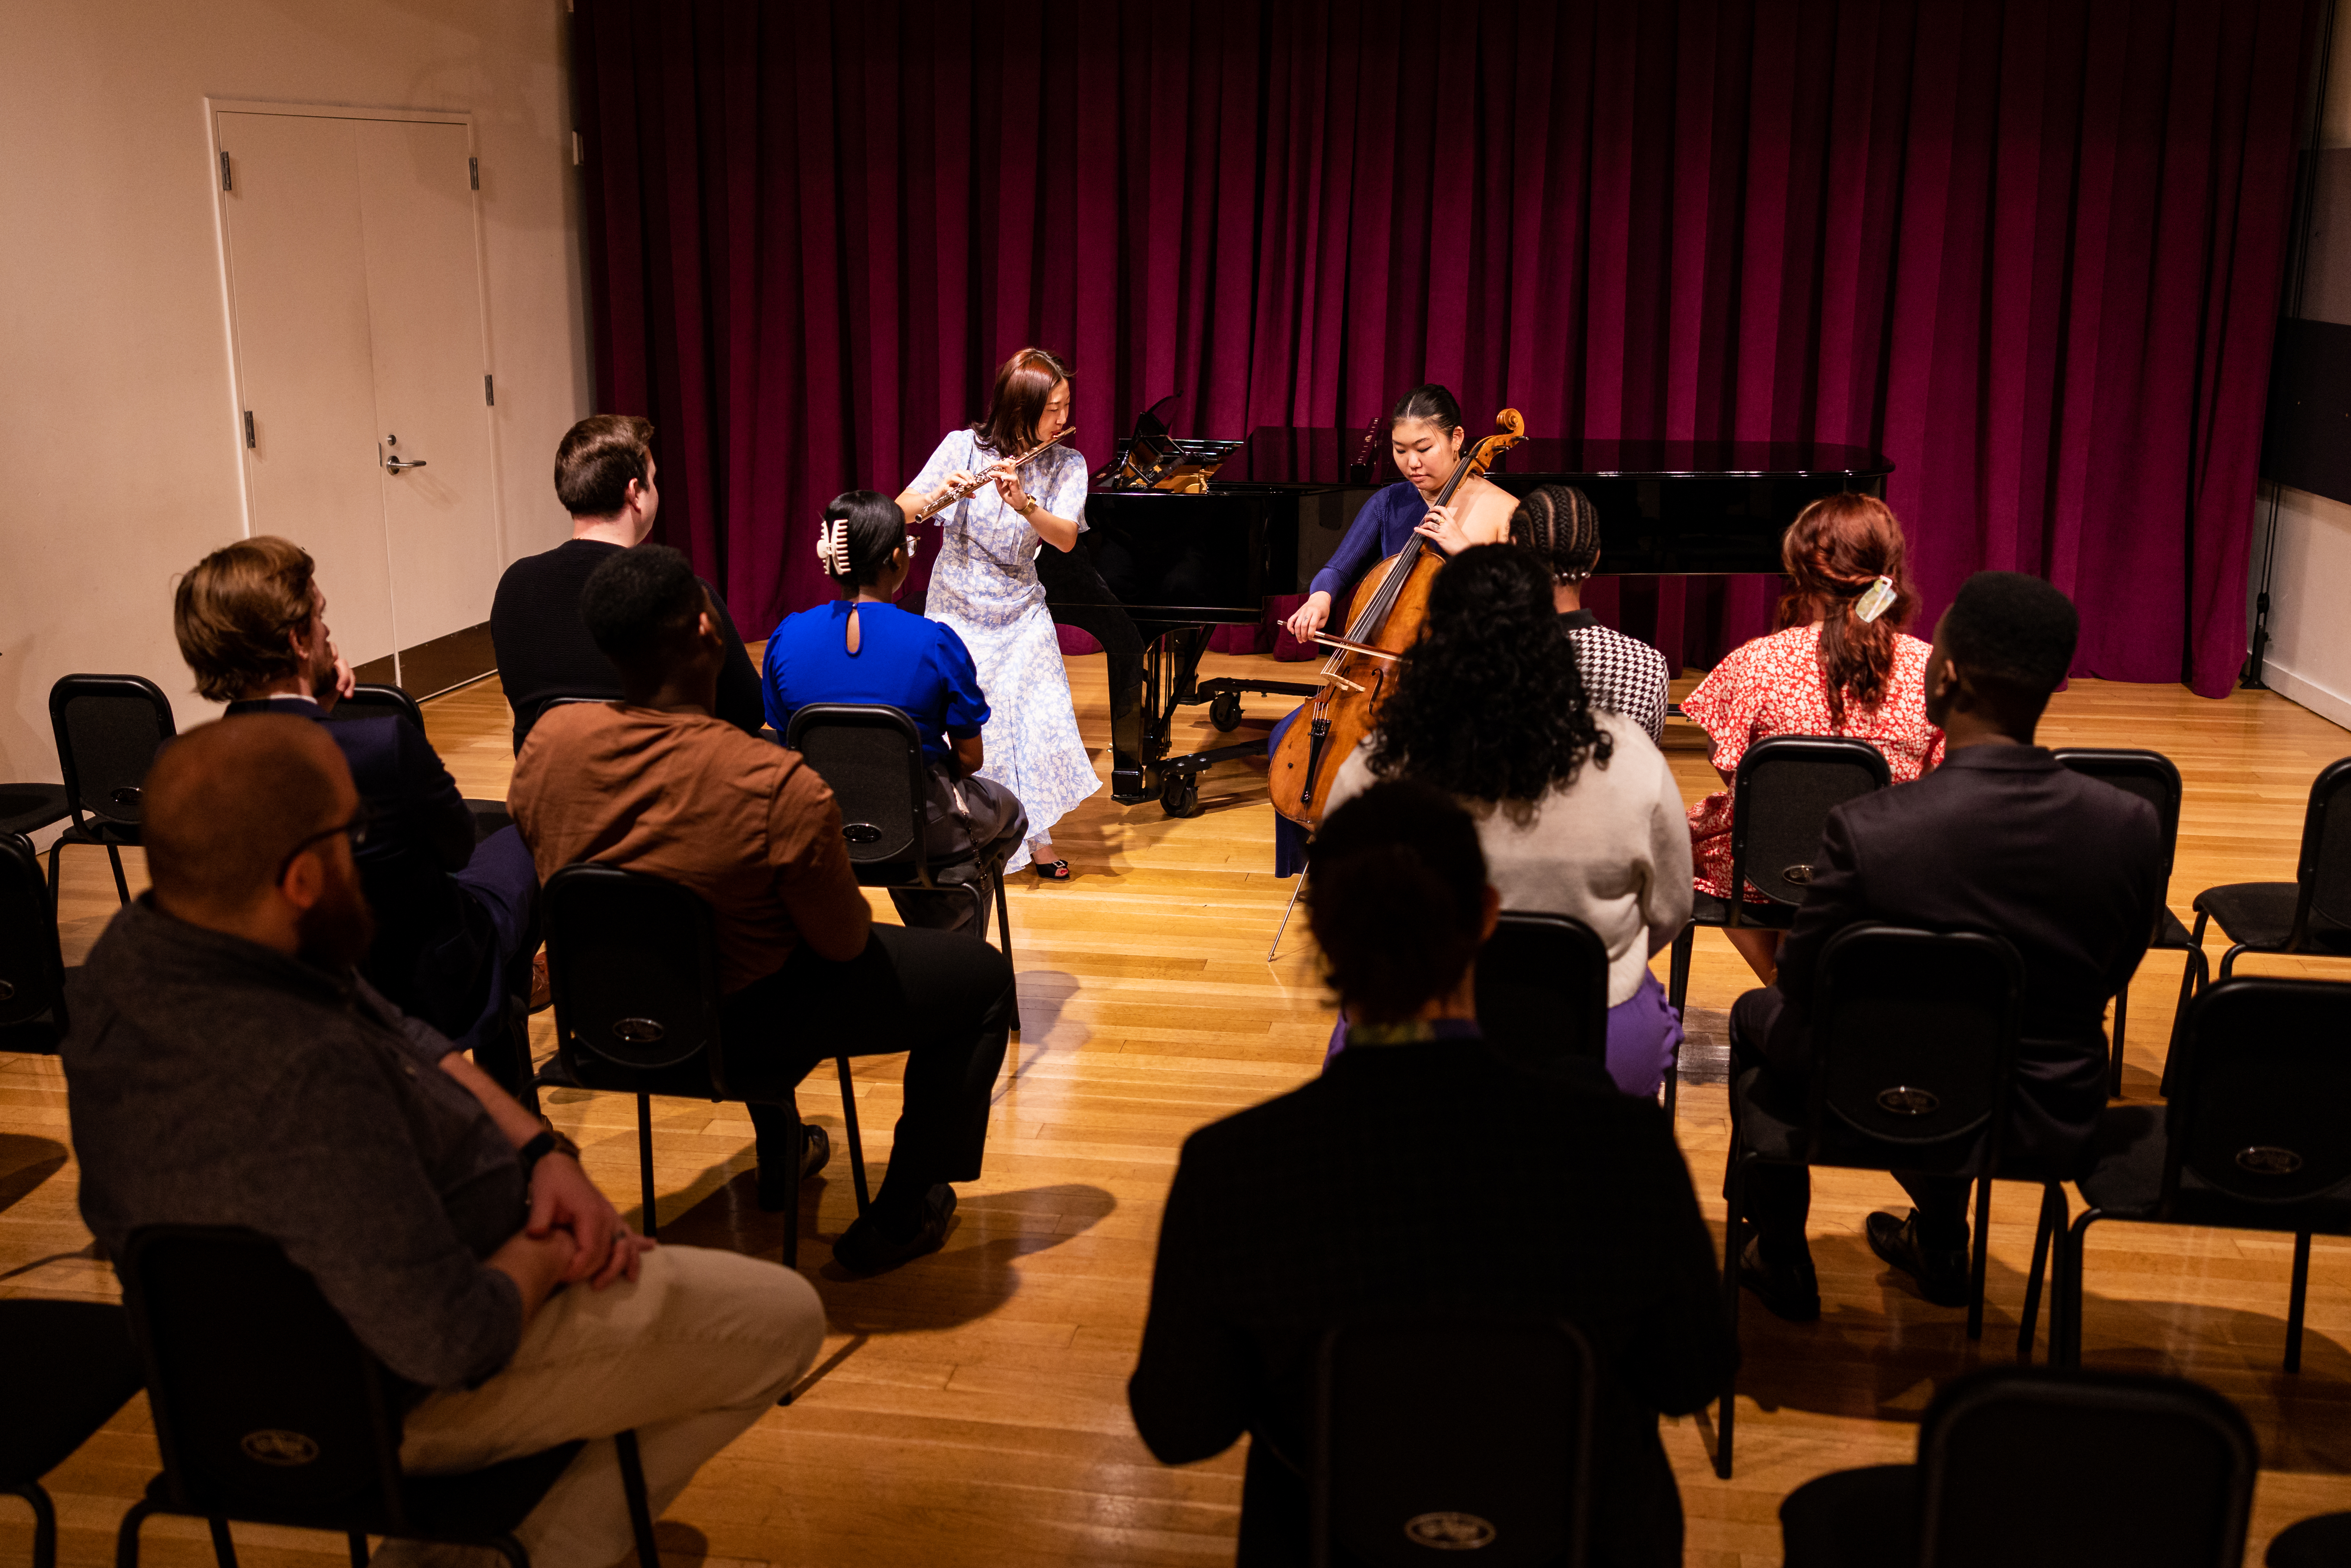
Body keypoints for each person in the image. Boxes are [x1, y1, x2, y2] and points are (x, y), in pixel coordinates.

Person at [61, 715, 824, 1568]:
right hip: (375, 1397)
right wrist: (551, 1249)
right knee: (781, 1320)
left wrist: (542, 1155)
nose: (366, 853)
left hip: (207, 1379)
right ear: (305, 876)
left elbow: (402, 1033)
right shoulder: (302, 1077)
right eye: (353, 834)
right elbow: (453, 1339)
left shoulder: (149, 952)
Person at [1128, 780, 1732, 1568]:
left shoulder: (1234, 1164)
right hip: (1586, 1542)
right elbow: (1689, 1374)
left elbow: (1181, 1424)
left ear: (1322, 931)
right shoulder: (1622, 1145)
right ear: (1485, 915)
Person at [510, 545, 1018, 1274]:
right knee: (979, 981)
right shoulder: (773, 780)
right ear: (710, 633)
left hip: (606, 1023)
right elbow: (843, 945)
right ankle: (902, 1211)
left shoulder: (547, 745)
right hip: (743, 1030)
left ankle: (783, 1148)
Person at [1726, 572, 2163, 1323]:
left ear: (1947, 676)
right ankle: (1937, 1237)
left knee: (1752, 1011)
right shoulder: (2129, 823)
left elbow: (1801, 980)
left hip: (1868, 1092)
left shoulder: (1869, 829)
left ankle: (1780, 1251)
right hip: (2043, 1109)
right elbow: (2112, 968)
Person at [1324, 544, 1691, 1096]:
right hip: (1592, 1036)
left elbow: (1340, 910)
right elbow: (1668, 909)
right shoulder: (1629, 755)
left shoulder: (1374, 763)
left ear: (1434, 638)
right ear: (1550, 637)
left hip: (1416, 1035)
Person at [173, 536, 538, 1065]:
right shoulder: (381, 744)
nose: (328, 633)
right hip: (422, 986)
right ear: (300, 641)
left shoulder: (188, 767)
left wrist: (316, 702)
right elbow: (457, 847)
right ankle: (511, 1081)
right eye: (320, 619)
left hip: (293, 993)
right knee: (524, 842)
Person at [1680, 493, 1944, 982]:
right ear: (1886, 569)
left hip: (1764, 870)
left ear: (1801, 567)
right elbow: (1935, 778)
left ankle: (1787, 988)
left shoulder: (1754, 662)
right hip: (1883, 872)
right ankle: (1814, 989)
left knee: (1689, 840)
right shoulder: (1930, 667)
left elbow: (1735, 770)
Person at [1268, 383, 1518, 875]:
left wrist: (1462, 548)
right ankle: (1315, 864)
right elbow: (1339, 568)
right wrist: (1320, 597)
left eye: (1423, 449)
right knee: (1287, 739)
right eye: (1399, 451)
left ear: (1457, 439)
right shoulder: (1390, 502)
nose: (1411, 463)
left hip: (1463, 674)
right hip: (1380, 670)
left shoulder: (1502, 508)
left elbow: (1515, 606)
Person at [762, 489, 1028, 936]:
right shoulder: (934, 641)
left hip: (820, 825)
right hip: (919, 827)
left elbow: (786, 739)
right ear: (896, 558)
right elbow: (968, 761)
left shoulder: (786, 636)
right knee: (1009, 812)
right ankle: (951, 939)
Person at [896, 347, 1098, 880]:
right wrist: (940, 494)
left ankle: (1037, 836)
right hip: (958, 603)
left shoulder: (1065, 463)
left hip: (1020, 606)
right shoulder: (962, 447)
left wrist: (1025, 504)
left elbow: (1067, 540)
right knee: (975, 726)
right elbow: (899, 511)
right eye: (1052, 408)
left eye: (1065, 405)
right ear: (1019, 408)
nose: (1062, 419)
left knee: (1038, 716)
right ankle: (961, 829)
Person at [491, 414, 767, 752]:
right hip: (664, 793)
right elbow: (748, 711)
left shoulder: (514, 587)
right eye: (653, 479)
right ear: (635, 492)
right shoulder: (684, 595)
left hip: (551, 790)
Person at [1509, 482, 1672, 743]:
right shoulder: (1647, 666)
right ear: (1595, 557)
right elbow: (1642, 765)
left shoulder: (1481, 654)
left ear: (1514, 549)